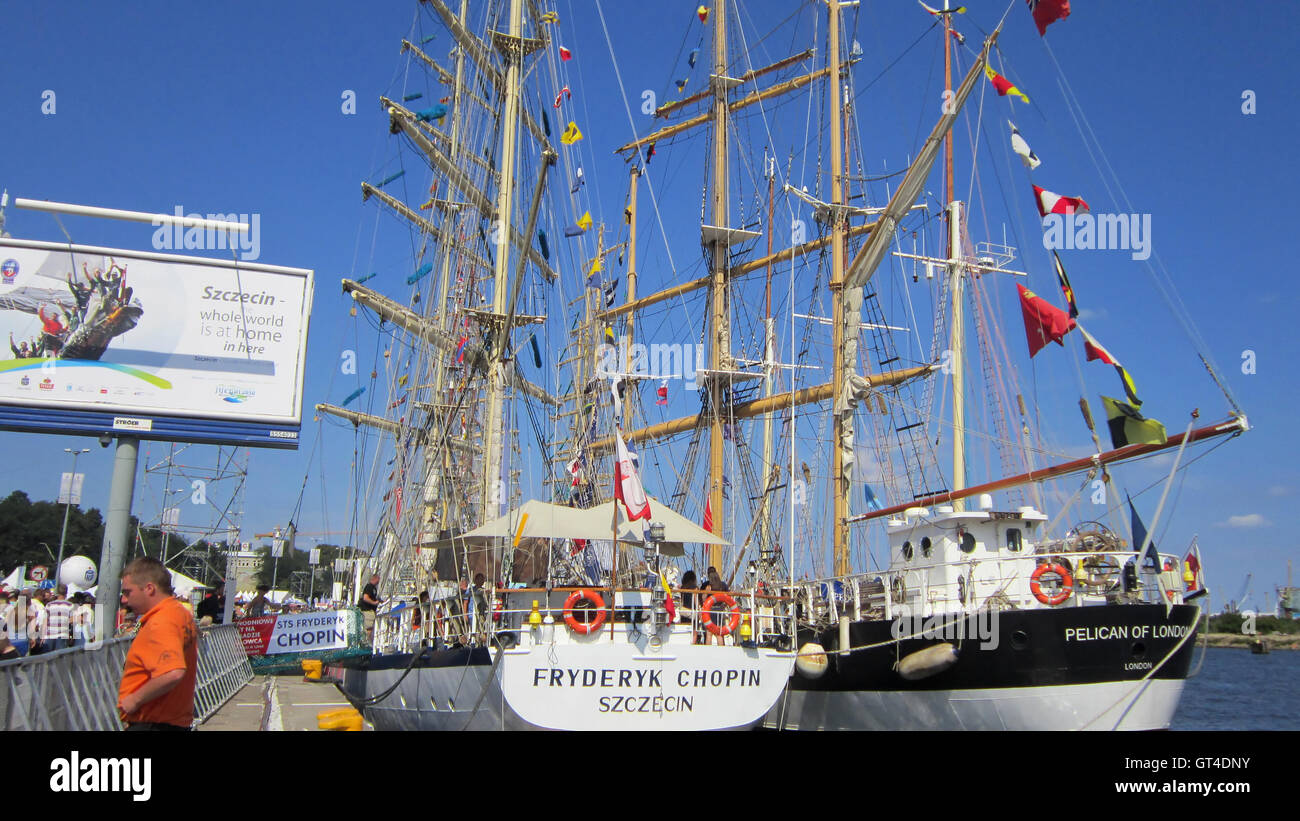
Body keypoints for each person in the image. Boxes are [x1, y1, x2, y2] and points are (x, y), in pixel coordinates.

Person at [116, 557, 198, 731]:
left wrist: (134, 699)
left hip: (153, 722)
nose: (124, 599)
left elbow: (173, 672)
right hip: (170, 720)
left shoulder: (162, 621)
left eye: (128, 592)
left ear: (149, 589)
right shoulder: (178, 613)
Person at [43, 586, 75, 652]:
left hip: (49, 634)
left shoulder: (49, 605)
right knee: (59, 658)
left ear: (57, 593)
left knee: (47, 657)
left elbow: (45, 621)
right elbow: (72, 620)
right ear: (66, 593)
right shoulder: (70, 605)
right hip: (62, 634)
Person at [359, 575, 382, 642]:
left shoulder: (374, 588)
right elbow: (365, 598)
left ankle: (368, 641)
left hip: (371, 610)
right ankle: (367, 642)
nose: (378, 582)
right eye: (378, 580)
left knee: (370, 628)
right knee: (368, 628)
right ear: (375, 579)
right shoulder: (369, 587)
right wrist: (374, 603)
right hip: (367, 610)